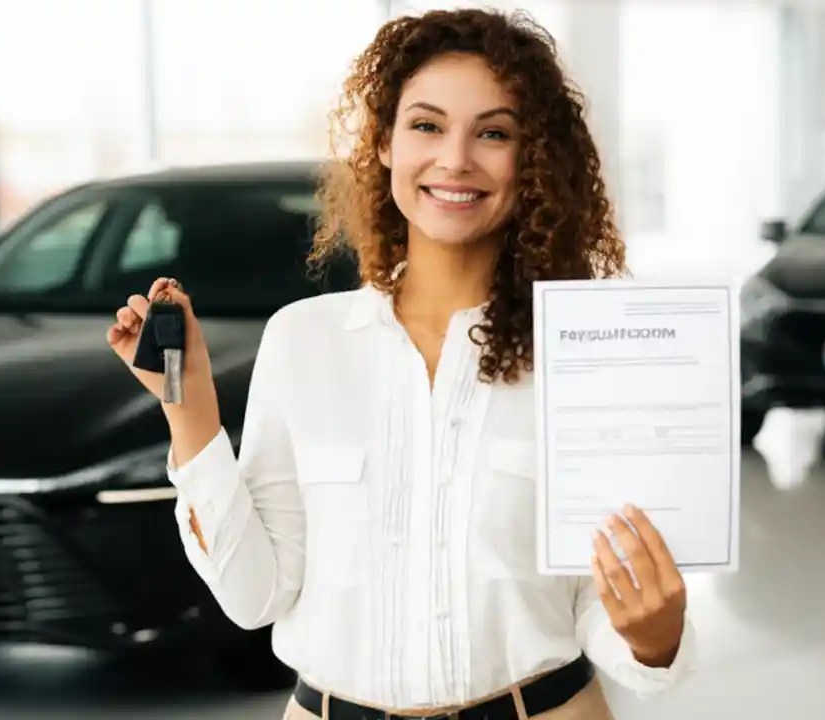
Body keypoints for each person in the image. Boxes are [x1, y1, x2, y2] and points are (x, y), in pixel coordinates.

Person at [107, 8, 693, 720]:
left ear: (530, 159)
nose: (455, 159)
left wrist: (654, 637)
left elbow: (607, 613)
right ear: (384, 143)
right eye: (426, 125)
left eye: (494, 133)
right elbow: (254, 595)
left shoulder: (585, 353)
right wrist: (186, 402)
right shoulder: (303, 341)